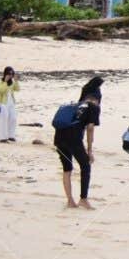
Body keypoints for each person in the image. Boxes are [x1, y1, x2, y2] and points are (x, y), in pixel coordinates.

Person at [52, 77, 103, 209]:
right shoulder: (93, 107)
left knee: (67, 168)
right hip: (73, 139)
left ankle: (70, 201)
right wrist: (90, 151)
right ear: (97, 99)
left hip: (58, 139)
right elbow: (90, 129)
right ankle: (83, 199)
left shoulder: (73, 105)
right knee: (85, 165)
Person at [0, 66, 19, 142]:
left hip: (11, 103)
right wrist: (5, 81)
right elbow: (1, 91)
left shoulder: (12, 82)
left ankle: (11, 135)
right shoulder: (0, 82)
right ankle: (2, 137)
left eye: (12, 74)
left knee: (13, 118)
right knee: (3, 119)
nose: (11, 75)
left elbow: (17, 89)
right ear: (5, 74)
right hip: (2, 103)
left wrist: (16, 81)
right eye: (9, 73)